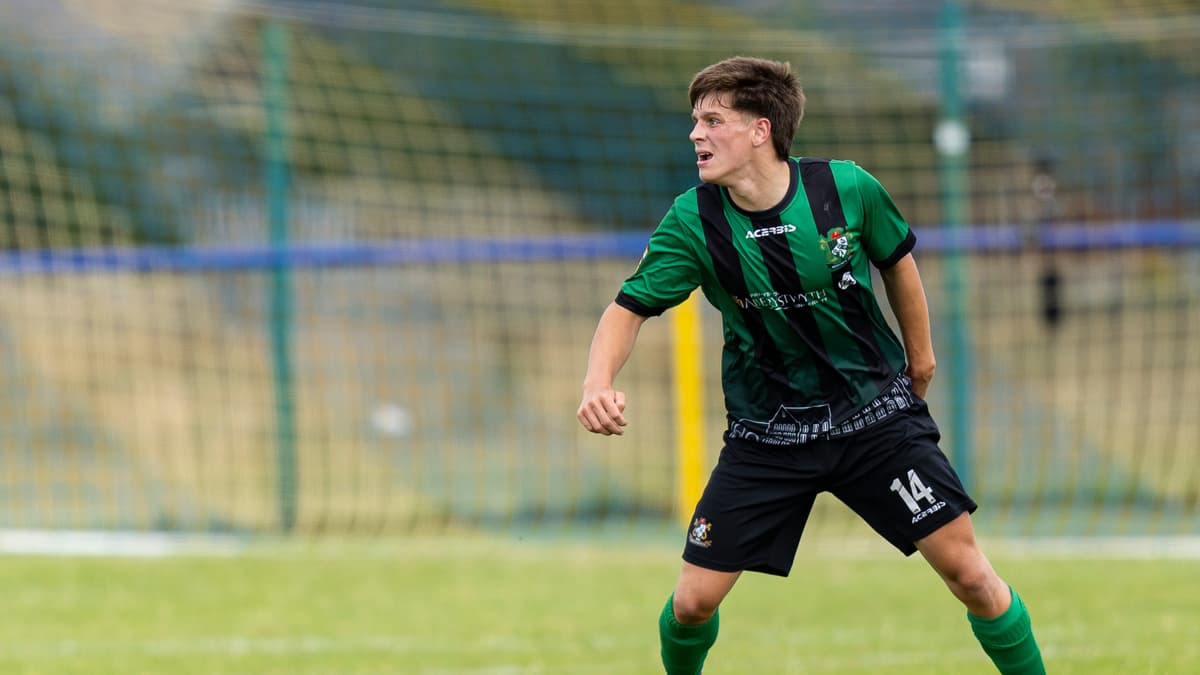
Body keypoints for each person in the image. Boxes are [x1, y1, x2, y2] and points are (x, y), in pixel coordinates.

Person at [576, 56, 1046, 674]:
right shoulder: (693, 220)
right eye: (695, 121)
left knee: (969, 574)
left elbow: (898, 262)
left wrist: (921, 360)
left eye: (713, 120)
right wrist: (596, 382)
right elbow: (627, 308)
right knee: (693, 602)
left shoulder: (845, 189)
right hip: (767, 437)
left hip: (874, 421)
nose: (696, 134)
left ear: (760, 130)